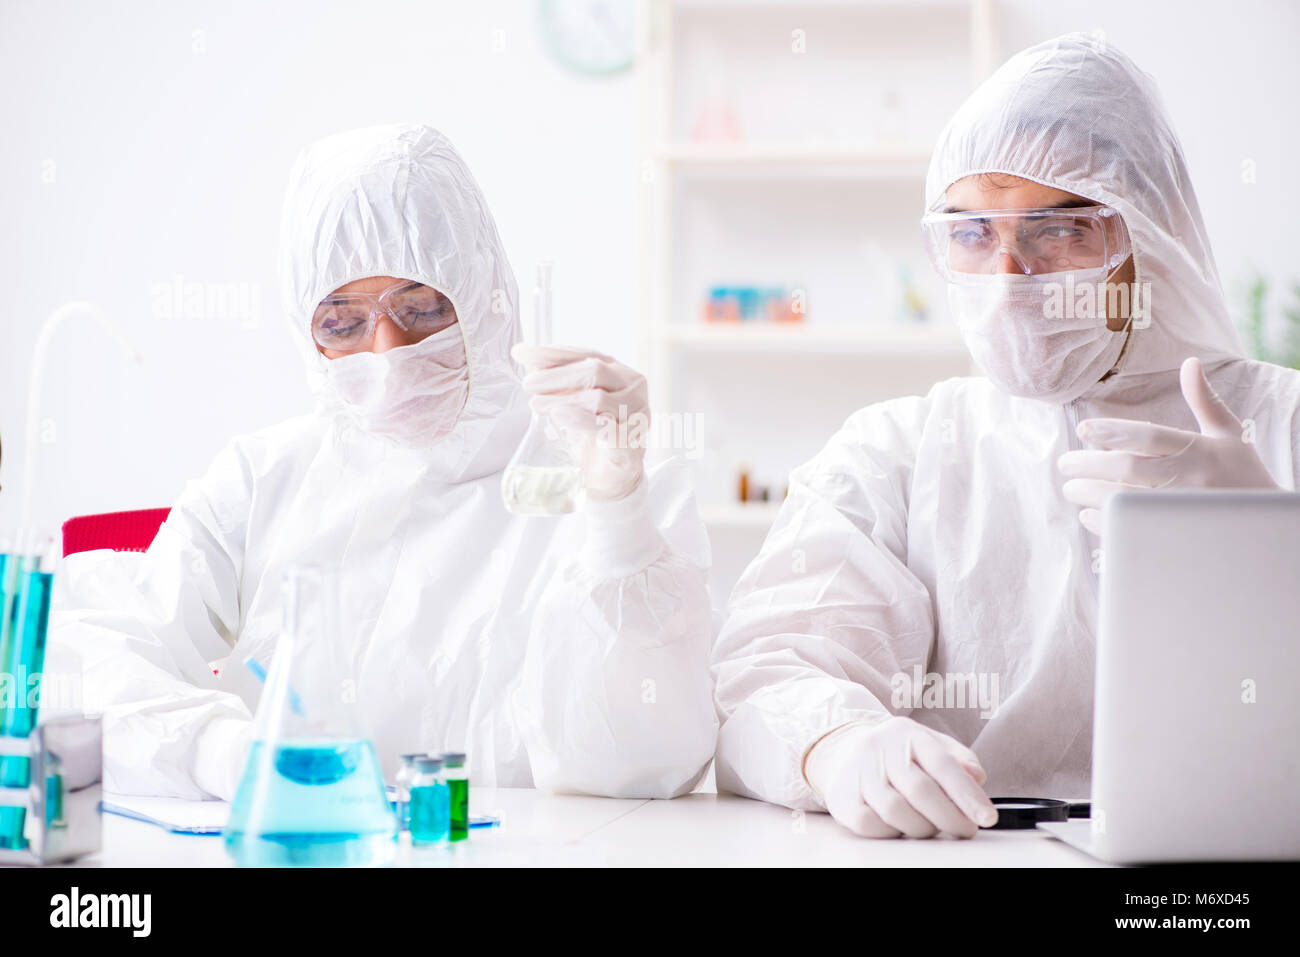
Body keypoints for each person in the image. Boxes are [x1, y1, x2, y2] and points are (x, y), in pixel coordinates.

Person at [711, 32, 1300, 839]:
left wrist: (1274, 552)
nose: (1008, 274)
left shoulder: (1282, 425)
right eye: (972, 232)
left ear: (1149, 234)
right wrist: (835, 741)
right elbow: (766, 668)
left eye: (1058, 230)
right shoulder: (900, 453)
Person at [49, 124, 716, 801]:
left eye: (422, 307)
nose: (389, 354)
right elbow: (92, 655)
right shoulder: (263, 480)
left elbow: (652, 760)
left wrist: (616, 518)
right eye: (342, 323)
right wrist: (231, 757)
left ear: (485, 291)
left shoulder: (603, 480)